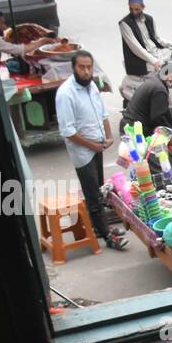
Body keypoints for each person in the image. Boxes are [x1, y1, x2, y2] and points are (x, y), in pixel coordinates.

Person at [55, 51, 129, 251]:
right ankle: (108, 236)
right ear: (74, 68)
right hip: (83, 152)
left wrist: (108, 136)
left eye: (89, 67)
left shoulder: (92, 86)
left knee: (96, 190)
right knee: (93, 195)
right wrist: (93, 145)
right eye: (82, 67)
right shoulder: (65, 93)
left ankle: (98, 227)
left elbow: (102, 113)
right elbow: (68, 131)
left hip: (97, 146)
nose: (86, 71)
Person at [119, 0, 172, 106]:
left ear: (143, 7)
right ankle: (170, 102)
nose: (134, 12)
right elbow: (136, 47)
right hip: (141, 59)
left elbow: (157, 38)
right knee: (164, 73)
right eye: (131, 9)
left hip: (156, 53)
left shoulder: (149, 19)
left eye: (137, 9)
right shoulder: (124, 23)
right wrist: (154, 61)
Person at [121, 62, 172, 137]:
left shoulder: (157, 79)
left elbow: (165, 113)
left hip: (131, 125)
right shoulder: (159, 89)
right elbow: (158, 118)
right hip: (134, 130)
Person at [0, 10, 54, 76]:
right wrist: (43, 40)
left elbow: (6, 41)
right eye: (2, 23)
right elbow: (21, 50)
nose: (5, 27)